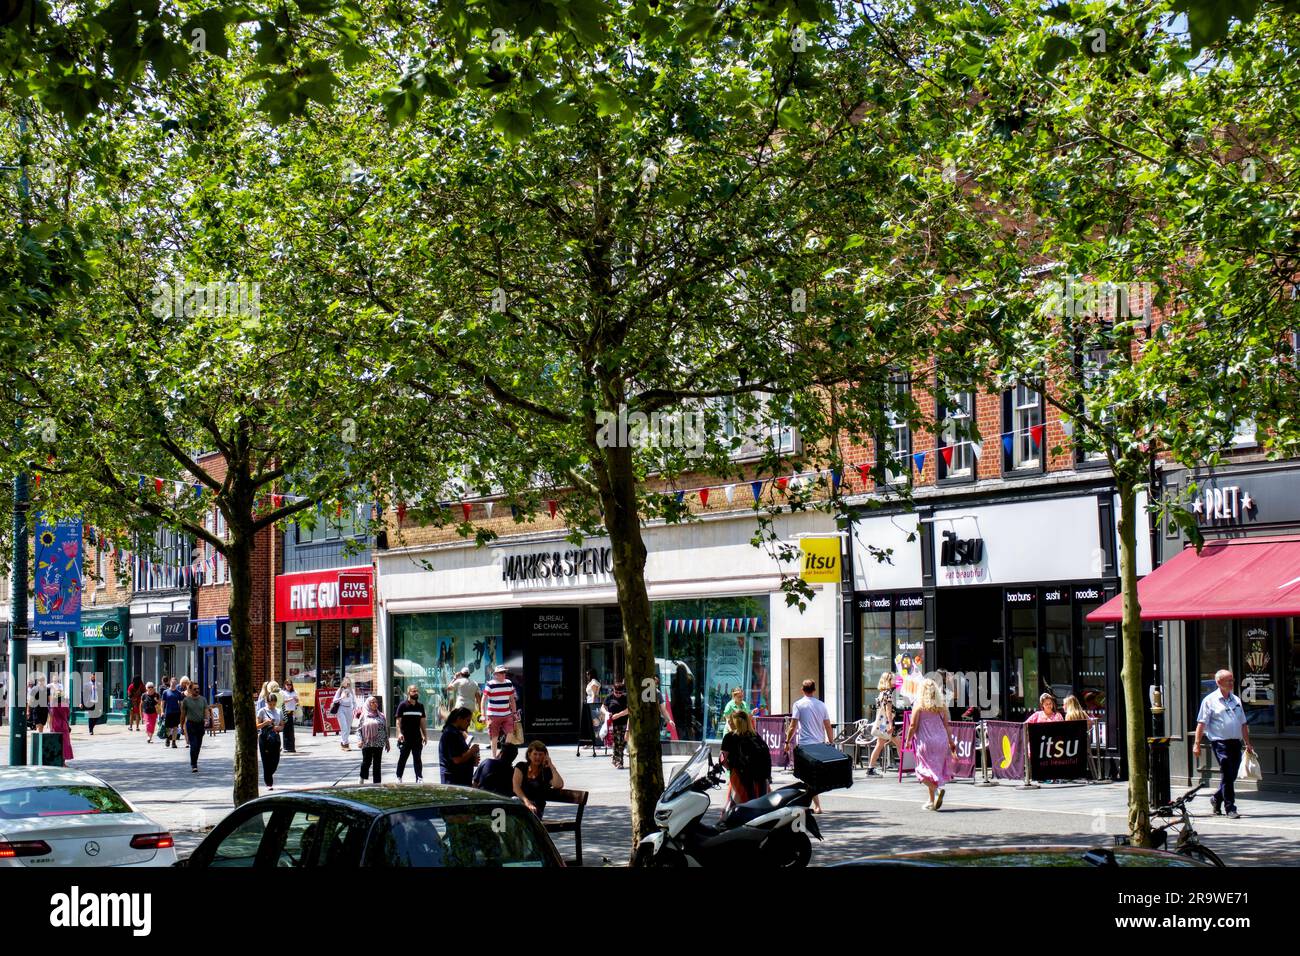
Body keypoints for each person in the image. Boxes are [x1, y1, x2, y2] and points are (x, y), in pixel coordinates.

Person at [1194, 669, 1255, 819]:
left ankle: (1216, 798)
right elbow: (1201, 724)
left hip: (1236, 742)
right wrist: (1196, 743)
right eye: (1228, 680)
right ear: (1218, 682)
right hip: (1220, 743)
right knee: (1228, 773)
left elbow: (1243, 723)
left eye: (1232, 680)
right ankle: (1230, 808)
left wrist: (1248, 743)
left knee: (1231, 775)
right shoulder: (1209, 700)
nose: (1232, 683)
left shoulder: (1236, 699)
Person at [906, 678, 957, 811]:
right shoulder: (941, 706)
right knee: (932, 770)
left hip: (926, 741)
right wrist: (951, 743)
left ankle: (936, 791)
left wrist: (908, 740)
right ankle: (931, 801)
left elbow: (912, 725)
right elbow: (947, 726)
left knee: (921, 771)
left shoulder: (919, 706)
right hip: (941, 741)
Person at [785, 679, 833, 813]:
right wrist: (831, 741)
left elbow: (793, 726)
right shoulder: (821, 705)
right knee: (812, 775)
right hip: (819, 744)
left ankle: (815, 805)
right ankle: (813, 803)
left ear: (802, 689)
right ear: (814, 690)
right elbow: (827, 725)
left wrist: (787, 742)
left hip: (806, 744)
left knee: (808, 776)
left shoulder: (799, 705)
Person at [720, 709, 771, 812]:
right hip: (760, 778)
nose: (728, 722)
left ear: (734, 722)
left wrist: (729, 767)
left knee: (736, 807)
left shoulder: (729, 737)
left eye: (730, 720)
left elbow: (722, 759)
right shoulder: (755, 735)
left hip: (739, 776)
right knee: (760, 805)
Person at [513, 740, 565, 818]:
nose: (538, 757)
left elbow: (559, 785)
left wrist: (551, 765)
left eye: (541, 754)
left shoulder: (545, 772)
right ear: (529, 754)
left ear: (545, 756)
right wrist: (527, 802)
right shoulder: (521, 766)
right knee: (513, 801)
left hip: (536, 808)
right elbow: (516, 787)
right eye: (535, 754)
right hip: (522, 803)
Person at [866, 671, 900, 777]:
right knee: (886, 745)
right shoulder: (889, 693)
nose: (895, 680)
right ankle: (870, 769)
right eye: (893, 678)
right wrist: (890, 724)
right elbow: (888, 710)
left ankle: (905, 766)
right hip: (887, 724)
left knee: (896, 744)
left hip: (883, 724)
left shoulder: (882, 693)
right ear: (889, 680)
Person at [482, 664, 519, 758]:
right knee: (494, 737)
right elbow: (483, 700)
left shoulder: (508, 683)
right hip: (493, 715)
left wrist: (514, 713)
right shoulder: (490, 684)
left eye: (504, 672)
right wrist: (483, 714)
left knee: (510, 733)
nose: (503, 674)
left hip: (507, 714)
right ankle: (494, 757)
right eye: (501, 673)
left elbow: (512, 699)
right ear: (496, 674)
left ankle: (502, 753)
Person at [438, 706, 479, 786]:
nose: (469, 724)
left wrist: (471, 759)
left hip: (460, 780)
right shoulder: (451, 734)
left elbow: (461, 754)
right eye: (467, 721)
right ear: (459, 719)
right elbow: (456, 759)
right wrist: (471, 751)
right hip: (453, 781)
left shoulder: (456, 733)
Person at [396, 684, 429, 782]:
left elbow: (422, 722)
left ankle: (419, 777)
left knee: (417, 758)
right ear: (408, 693)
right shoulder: (402, 705)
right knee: (403, 758)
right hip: (405, 738)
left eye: (417, 691)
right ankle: (399, 777)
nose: (416, 693)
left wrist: (425, 735)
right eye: (413, 691)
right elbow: (398, 722)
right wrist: (399, 734)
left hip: (417, 738)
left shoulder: (420, 706)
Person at [357, 695, 390, 783]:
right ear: (368, 704)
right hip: (367, 743)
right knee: (366, 762)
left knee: (377, 763)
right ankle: (362, 777)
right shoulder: (364, 715)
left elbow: (384, 729)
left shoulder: (381, 715)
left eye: (376, 702)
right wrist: (360, 740)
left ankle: (377, 782)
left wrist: (387, 742)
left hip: (379, 743)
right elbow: (359, 729)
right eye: (373, 702)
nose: (375, 704)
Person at [256, 692, 284, 789]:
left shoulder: (279, 711)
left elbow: (282, 726)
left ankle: (268, 774)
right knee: (266, 761)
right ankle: (269, 783)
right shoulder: (261, 711)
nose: (272, 706)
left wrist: (277, 728)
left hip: (275, 738)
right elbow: (256, 726)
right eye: (270, 704)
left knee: (275, 760)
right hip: (264, 738)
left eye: (273, 704)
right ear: (266, 702)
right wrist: (265, 723)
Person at [181, 681, 209, 773]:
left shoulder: (203, 699)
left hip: (200, 724)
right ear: (190, 690)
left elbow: (206, 710)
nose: (197, 690)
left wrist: (206, 719)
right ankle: (194, 764)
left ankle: (195, 761)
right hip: (191, 725)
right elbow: (183, 714)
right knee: (194, 745)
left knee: (198, 746)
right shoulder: (186, 701)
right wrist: (181, 725)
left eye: (198, 689)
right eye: (195, 689)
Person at [604, 680, 630, 769]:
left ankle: (618, 761)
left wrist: (618, 715)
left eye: (620, 692)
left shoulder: (626, 697)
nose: (618, 694)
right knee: (616, 742)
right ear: (613, 689)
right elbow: (603, 707)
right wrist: (607, 713)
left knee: (622, 743)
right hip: (612, 724)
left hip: (623, 723)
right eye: (616, 692)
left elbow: (629, 710)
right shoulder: (609, 697)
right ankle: (617, 761)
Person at [47, 682, 73, 762]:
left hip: (55, 726)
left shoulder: (53, 706)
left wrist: (50, 728)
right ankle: (63, 762)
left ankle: (56, 761)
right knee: (65, 744)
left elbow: (50, 717)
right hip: (64, 726)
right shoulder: (65, 705)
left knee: (56, 744)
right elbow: (68, 715)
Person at [161, 677, 186, 748]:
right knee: (168, 728)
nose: (173, 684)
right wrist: (162, 711)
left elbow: (181, 703)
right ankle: (168, 738)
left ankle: (174, 742)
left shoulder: (178, 693)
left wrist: (182, 712)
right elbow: (162, 703)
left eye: (175, 683)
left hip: (176, 712)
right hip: (168, 712)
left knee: (175, 727)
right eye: (172, 683)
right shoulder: (165, 692)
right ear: (170, 683)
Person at [334, 677, 357, 750]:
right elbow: (334, 700)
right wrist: (341, 698)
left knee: (348, 728)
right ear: (343, 683)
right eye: (347, 683)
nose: (348, 685)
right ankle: (345, 744)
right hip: (341, 709)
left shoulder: (351, 691)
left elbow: (354, 700)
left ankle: (343, 742)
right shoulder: (340, 690)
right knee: (344, 727)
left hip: (349, 709)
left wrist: (355, 708)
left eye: (349, 683)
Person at [280, 679, 298, 753]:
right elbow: (282, 701)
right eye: (287, 685)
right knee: (286, 730)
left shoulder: (294, 692)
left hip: (292, 712)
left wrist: (296, 700)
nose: (289, 686)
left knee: (291, 730)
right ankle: (286, 747)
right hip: (285, 712)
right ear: (285, 685)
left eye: (290, 685)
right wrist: (291, 699)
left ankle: (291, 747)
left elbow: (297, 701)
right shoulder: (282, 692)